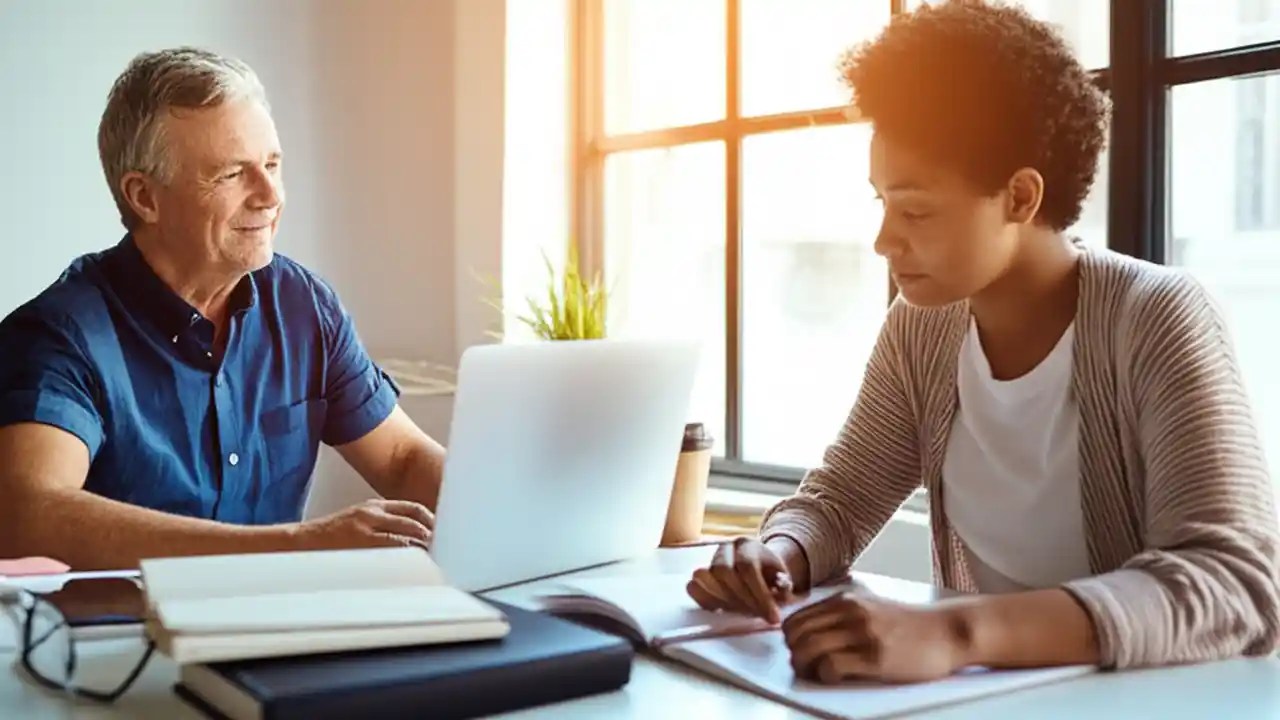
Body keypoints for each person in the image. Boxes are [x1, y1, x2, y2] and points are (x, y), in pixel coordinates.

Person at [688, 0, 1280, 685]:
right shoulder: (922, 327)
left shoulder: (1155, 317)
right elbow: (841, 502)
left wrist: (959, 633)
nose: (884, 241)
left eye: (916, 210)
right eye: (883, 203)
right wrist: (778, 552)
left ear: (1020, 198)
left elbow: (1235, 582)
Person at [0, 48, 447, 570]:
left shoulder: (303, 305)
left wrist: (505, 515)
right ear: (144, 197)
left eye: (272, 165)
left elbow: (401, 458)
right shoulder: (59, 334)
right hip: (129, 622)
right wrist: (300, 546)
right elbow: (27, 512)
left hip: (285, 616)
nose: (269, 195)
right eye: (233, 174)